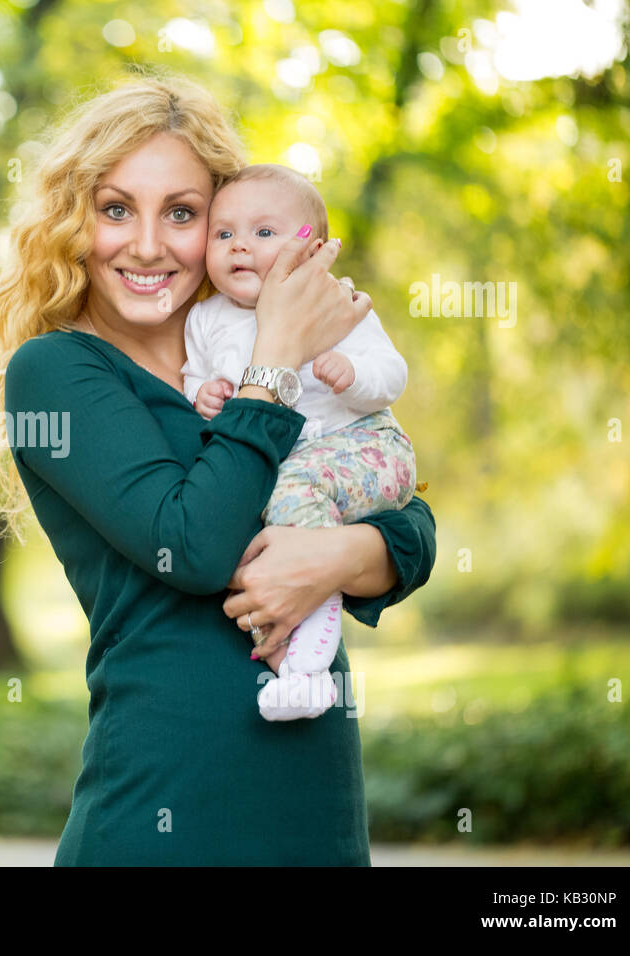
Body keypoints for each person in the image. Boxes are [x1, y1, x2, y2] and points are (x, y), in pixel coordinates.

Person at [0, 74, 436, 865]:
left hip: (316, 806)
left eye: (180, 213)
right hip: (162, 811)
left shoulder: (240, 341)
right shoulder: (59, 372)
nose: (148, 245)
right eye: (116, 209)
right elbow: (194, 546)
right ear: (75, 222)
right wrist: (277, 362)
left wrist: (343, 554)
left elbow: (400, 495)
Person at [182, 163, 419, 721]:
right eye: (224, 234)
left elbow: (393, 371)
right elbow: (198, 375)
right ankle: (296, 671)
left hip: (367, 446)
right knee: (267, 509)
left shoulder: (334, 300)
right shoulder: (206, 319)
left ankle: (310, 662)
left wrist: (353, 375)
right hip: (298, 479)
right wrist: (207, 394)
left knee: (288, 493)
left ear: (312, 250)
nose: (240, 246)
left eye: (264, 233)